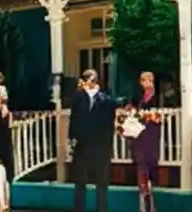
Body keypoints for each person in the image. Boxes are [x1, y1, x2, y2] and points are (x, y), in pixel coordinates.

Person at [69, 69, 123, 212]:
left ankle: (101, 209)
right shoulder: (78, 97)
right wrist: (72, 139)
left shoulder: (106, 98)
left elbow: (115, 112)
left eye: (88, 79)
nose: (86, 81)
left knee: (102, 181)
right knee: (80, 181)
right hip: (82, 145)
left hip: (101, 146)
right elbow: (74, 119)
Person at [127, 71, 162, 212]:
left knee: (151, 169)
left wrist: (149, 117)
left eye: (149, 80)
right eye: (143, 80)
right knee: (141, 169)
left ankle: (152, 205)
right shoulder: (137, 98)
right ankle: (145, 205)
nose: (146, 83)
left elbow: (159, 117)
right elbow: (131, 112)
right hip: (139, 138)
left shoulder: (159, 98)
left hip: (152, 138)